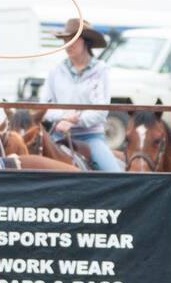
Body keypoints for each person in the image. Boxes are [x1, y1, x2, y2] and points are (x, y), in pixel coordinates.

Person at [38, 18, 123, 171]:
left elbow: (101, 110)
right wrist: (64, 117)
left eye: (73, 40)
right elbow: (44, 106)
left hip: (90, 137)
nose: (68, 44)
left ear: (86, 42)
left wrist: (75, 120)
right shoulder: (55, 72)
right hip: (59, 135)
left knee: (114, 174)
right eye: (65, 40)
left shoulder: (100, 70)